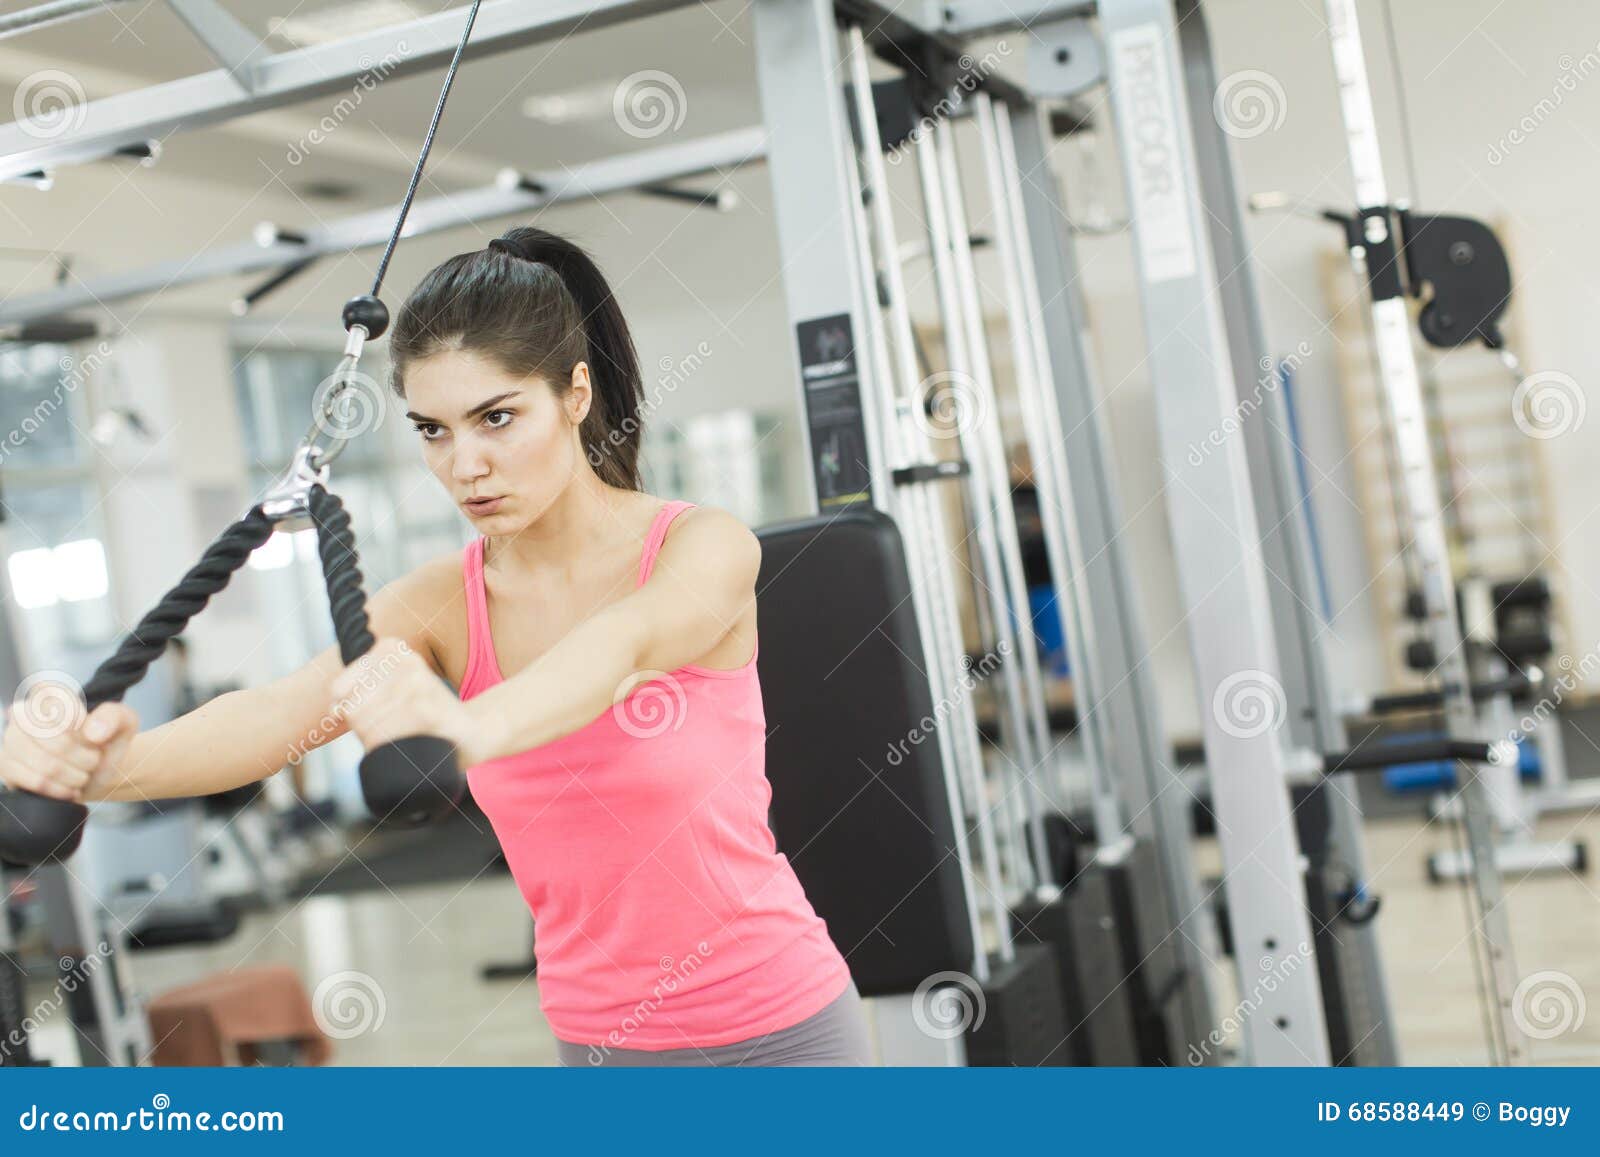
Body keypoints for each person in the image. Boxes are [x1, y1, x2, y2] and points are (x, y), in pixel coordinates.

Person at [0, 227, 870, 1067]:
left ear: (575, 394)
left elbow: (619, 648)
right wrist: (93, 769)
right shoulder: (441, 604)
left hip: (780, 1027)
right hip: (602, 1042)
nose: (464, 466)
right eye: (433, 429)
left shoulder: (702, 547)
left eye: (497, 417)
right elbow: (277, 715)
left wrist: (466, 727)